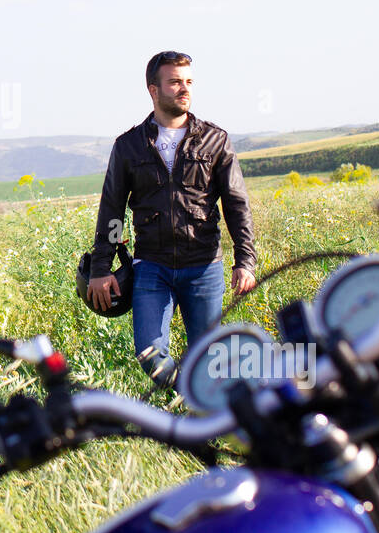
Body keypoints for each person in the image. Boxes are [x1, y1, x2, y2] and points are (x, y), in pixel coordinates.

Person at [88, 51, 257, 389]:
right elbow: (113, 211)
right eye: (175, 82)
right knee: (150, 354)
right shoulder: (128, 146)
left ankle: (199, 414)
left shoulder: (215, 140)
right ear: (154, 90)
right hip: (151, 267)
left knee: (208, 357)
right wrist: (101, 269)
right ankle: (187, 394)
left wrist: (246, 261)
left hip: (204, 266)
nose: (184, 88)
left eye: (189, 81)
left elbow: (237, 204)